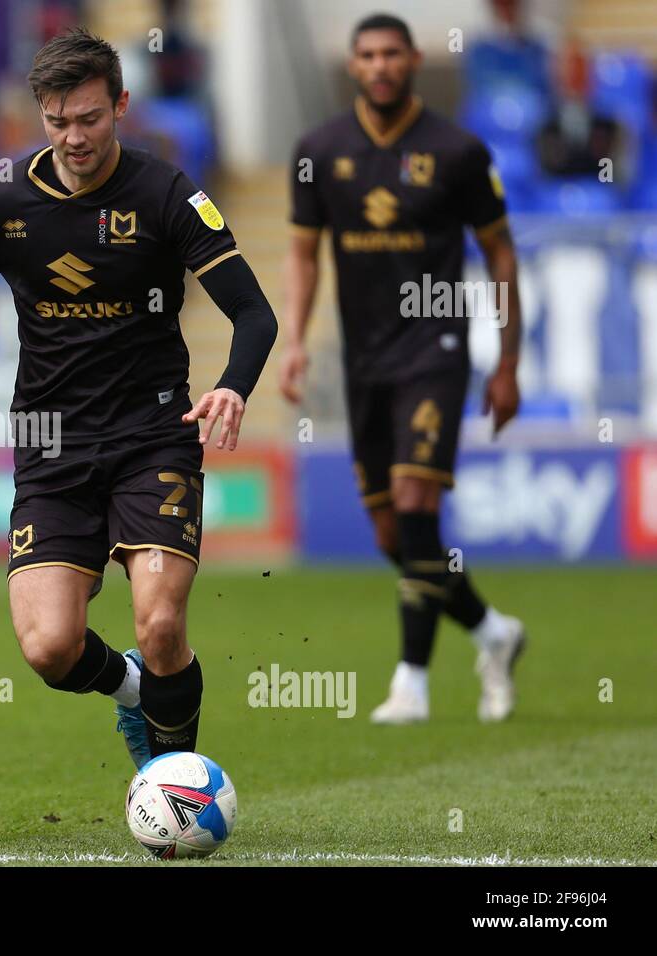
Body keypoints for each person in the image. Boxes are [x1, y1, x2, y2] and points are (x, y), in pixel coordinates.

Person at [0, 29, 277, 771]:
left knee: (160, 623)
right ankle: (135, 693)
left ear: (121, 107)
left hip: (150, 438)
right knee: (48, 648)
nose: (74, 137)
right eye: (58, 121)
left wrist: (232, 385)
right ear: (41, 114)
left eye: (90, 119)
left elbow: (255, 314)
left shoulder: (166, 193)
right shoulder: (5, 204)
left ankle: (173, 786)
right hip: (50, 449)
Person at [279, 14, 526, 723]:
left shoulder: (458, 150)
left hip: (436, 349)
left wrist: (508, 362)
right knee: (395, 535)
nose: (381, 65)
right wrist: (294, 340)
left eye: (392, 53)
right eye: (367, 55)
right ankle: (493, 632)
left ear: (414, 59)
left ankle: (411, 683)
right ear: (352, 66)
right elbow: (301, 254)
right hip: (364, 359)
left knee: (418, 505)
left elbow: (501, 254)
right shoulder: (319, 152)